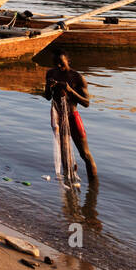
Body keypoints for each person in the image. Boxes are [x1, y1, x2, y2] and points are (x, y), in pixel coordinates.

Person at [43, 49, 97, 183]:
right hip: (59, 118)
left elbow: (86, 103)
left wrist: (69, 90)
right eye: (56, 64)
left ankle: (94, 185)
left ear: (68, 61)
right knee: (65, 154)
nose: (59, 67)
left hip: (72, 117)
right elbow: (48, 97)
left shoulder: (77, 77)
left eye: (61, 63)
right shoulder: (51, 73)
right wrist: (48, 87)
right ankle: (69, 182)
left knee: (84, 154)